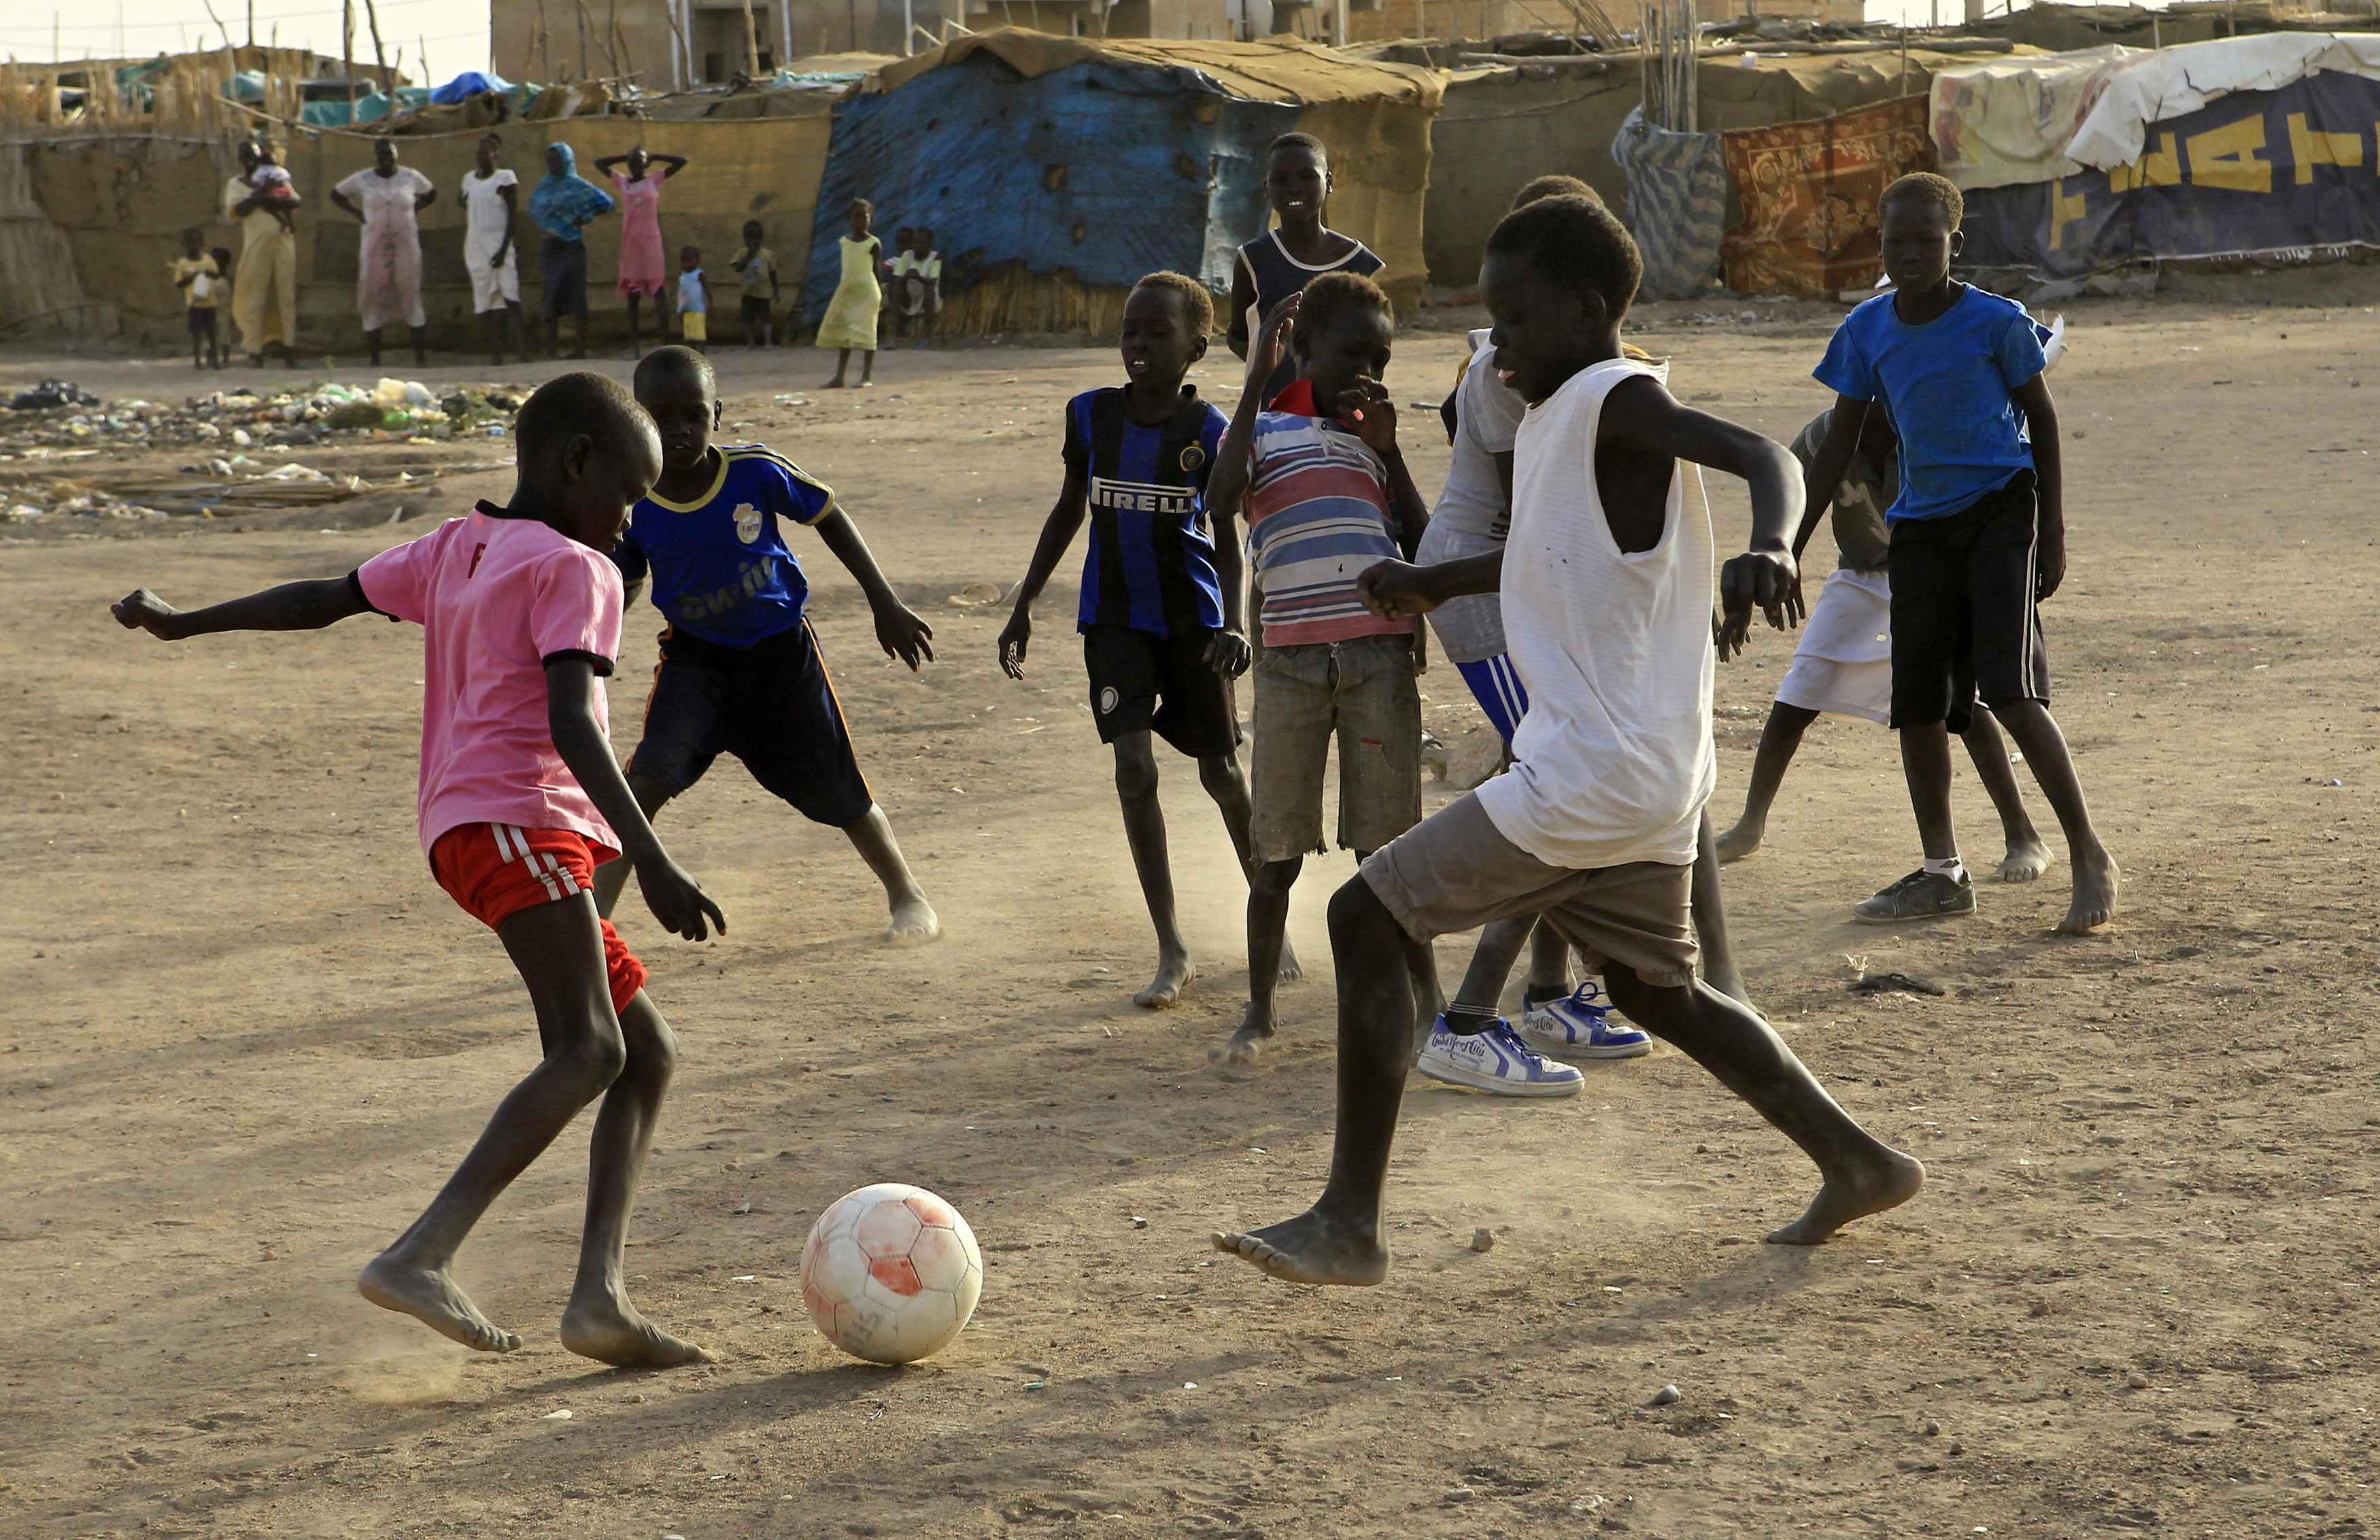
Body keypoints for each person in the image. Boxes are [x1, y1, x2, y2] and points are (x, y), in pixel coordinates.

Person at [1211, 196, 1926, 1288]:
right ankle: (1859, 1159)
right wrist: (1431, 578)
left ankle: (1350, 1222)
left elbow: (1760, 457)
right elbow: (1550, 559)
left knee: (1364, 911)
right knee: (1655, 992)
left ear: (1588, 311)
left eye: (1515, 319)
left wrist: (1774, 545)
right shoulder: (1554, 418)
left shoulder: (1615, 394)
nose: (1496, 344)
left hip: (1591, 772)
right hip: (1643, 773)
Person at [109, 372, 724, 1366]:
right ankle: (420, 1254)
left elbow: (323, 600)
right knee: (591, 1051)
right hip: (526, 824)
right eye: (626, 493)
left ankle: (599, 1301)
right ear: (577, 464)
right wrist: (653, 860)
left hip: (464, 830)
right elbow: (573, 721)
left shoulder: (455, 545)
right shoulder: (579, 568)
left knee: (639, 1051)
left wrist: (188, 623)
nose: (630, 520)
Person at [1802, 173, 2118, 933]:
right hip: (1919, 525)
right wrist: (1786, 541)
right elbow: (1837, 442)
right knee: (1916, 706)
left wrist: (2053, 532)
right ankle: (1942, 872)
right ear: (1876, 245)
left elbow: (2040, 423)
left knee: (2007, 692)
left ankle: (2086, 851)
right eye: (1893, 241)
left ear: (1954, 243)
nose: (1908, 254)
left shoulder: (1994, 322)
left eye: (1924, 240)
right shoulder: (1865, 330)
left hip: (1999, 512)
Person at [1408, 174, 1661, 1097]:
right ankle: (1471, 1016)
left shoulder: (1524, 363)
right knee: (1553, 784)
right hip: (1491, 594)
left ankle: (1549, 993)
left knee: (1556, 778)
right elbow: (1532, 523)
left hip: (1510, 588)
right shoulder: (1515, 374)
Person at [589, 347, 942, 947]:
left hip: (783, 659)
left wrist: (883, 601)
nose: (678, 429)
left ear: (717, 414)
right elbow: (619, 577)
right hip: (697, 664)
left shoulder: (755, 472)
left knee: (842, 791)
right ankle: (591, 927)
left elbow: (829, 513)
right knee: (645, 783)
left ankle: (908, 893)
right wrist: (597, 640)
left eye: (693, 415)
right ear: (636, 422)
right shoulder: (633, 501)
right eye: (661, 416)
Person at [998, 272, 1279, 1009]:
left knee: (1220, 775)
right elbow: (1067, 512)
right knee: (1133, 772)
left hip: (1192, 625)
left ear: (1196, 345)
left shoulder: (1209, 432)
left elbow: (1227, 536)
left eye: (1157, 333)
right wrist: (1024, 601)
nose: (1138, 345)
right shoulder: (1089, 417)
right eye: (1130, 331)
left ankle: (1269, 921)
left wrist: (1232, 623)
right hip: (1113, 621)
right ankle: (1171, 947)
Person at [1204, 272, 1438, 1066]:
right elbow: (1219, 493)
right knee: (1277, 858)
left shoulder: (1374, 443)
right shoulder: (1267, 433)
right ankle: (1260, 1010)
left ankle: (1429, 1004)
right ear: (1302, 351)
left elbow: (1423, 543)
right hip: (1291, 670)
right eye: (1349, 354)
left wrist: (1392, 451)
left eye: (1379, 357)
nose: (1366, 371)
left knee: (1389, 854)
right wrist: (1253, 380)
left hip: (1376, 662)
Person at [1714, 402, 2051, 888]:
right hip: (1859, 574)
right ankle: (1751, 825)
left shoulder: (1924, 422)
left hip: (1930, 571)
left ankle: (2023, 833)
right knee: (1797, 696)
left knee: (1963, 705)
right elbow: (1787, 487)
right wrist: (1782, 559)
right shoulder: (1828, 433)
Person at [1226, 133, 1384, 409]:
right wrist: (1277, 370)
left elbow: (1376, 347)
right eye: (1281, 179)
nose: (1294, 188)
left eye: (1308, 177)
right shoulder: (1253, 259)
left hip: (1342, 414)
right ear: (1266, 188)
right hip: (1273, 415)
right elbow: (1240, 338)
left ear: (1329, 183)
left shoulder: (1360, 263)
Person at [330, 137, 437, 369]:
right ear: (376, 157)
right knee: (372, 291)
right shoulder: (363, 179)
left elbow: (431, 193)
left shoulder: (410, 177)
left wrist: (414, 210)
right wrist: (358, 214)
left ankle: (420, 358)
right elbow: (337, 194)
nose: (386, 160)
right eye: (382, 156)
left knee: (409, 289)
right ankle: (375, 358)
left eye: (390, 155)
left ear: (396, 156)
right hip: (375, 245)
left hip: (405, 243)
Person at [594, 146, 690, 360]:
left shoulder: (655, 180)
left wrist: (656, 156)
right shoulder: (623, 182)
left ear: (647, 164)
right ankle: (634, 345)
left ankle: (667, 345)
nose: (635, 166)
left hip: (652, 244)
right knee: (633, 296)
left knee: (659, 293)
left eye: (640, 162)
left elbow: (682, 161)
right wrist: (625, 156)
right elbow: (599, 163)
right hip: (631, 245)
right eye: (632, 162)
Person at [531, 141, 615, 361]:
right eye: (550, 160)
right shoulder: (544, 187)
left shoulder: (577, 185)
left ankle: (580, 350)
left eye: (557, 159)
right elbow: (535, 209)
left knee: (577, 297)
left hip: (572, 247)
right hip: (551, 247)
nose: (553, 164)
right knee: (551, 297)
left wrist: (584, 217)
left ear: (567, 160)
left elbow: (606, 202)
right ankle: (551, 351)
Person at [220, 140, 299, 369]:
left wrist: (273, 198)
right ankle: (255, 350)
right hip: (256, 245)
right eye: (246, 158)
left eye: (254, 158)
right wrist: (256, 198)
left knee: (286, 296)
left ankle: (289, 349)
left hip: (283, 242)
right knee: (253, 295)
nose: (250, 162)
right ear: (240, 161)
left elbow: (295, 200)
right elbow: (237, 212)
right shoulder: (236, 185)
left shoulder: (276, 178)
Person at [457, 133, 526, 366]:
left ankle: (522, 354)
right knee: (485, 303)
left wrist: (503, 249)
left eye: (485, 153)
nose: (481, 157)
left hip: (499, 244)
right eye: (478, 153)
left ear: (495, 155)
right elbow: (463, 200)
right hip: (476, 246)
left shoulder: (505, 178)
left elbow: (513, 216)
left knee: (511, 298)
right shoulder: (468, 180)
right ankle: (496, 356)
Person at [818, 199, 882, 388]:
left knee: (868, 333)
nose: (861, 221)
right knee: (845, 335)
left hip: (868, 292)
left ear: (871, 219)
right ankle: (839, 377)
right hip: (848, 293)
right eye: (857, 217)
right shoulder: (844, 242)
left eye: (865, 217)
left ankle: (866, 376)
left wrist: (881, 292)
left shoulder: (873, 243)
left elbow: (876, 270)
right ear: (849, 219)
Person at [170, 228, 222, 371]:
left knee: (212, 333)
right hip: (195, 304)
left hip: (210, 302)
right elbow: (179, 284)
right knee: (197, 334)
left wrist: (209, 274)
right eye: (189, 242)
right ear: (184, 244)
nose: (193, 245)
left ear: (202, 243)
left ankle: (215, 360)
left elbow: (217, 275)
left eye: (196, 242)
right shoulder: (183, 264)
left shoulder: (208, 260)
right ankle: (198, 360)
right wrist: (191, 278)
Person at [889, 227, 941, 341]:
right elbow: (897, 279)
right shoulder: (908, 256)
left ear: (930, 243)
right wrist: (906, 277)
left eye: (921, 242)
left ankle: (928, 336)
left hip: (929, 300)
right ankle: (893, 334)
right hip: (911, 298)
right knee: (896, 289)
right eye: (914, 242)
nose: (917, 245)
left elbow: (932, 283)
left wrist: (918, 277)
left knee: (929, 291)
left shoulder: (935, 257)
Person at [732, 220, 779, 349]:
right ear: (744, 239)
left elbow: (773, 272)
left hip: (764, 292)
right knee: (748, 319)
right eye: (749, 239)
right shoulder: (741, 253)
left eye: (756, 239)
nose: (752, 242)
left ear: (761, 239)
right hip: (748, 292)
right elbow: (737, 268)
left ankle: (768, 343)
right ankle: (751, 343)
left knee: (766, 317)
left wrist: (776, 290)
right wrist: (748, 257)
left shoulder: (767, 254)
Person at [673, 246, 709, 354]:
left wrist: (711, 306)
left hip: (698, 310)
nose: (686, 264)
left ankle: (702, 357)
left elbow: (708, 290)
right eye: (683, 261)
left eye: (689, 260)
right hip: (687, 312)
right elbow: (681, 295)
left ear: (698, 261)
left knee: (700, 337)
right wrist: (680, 310)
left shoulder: (699, 275)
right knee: (690, 337)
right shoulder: (682, 277)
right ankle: (694, 357)